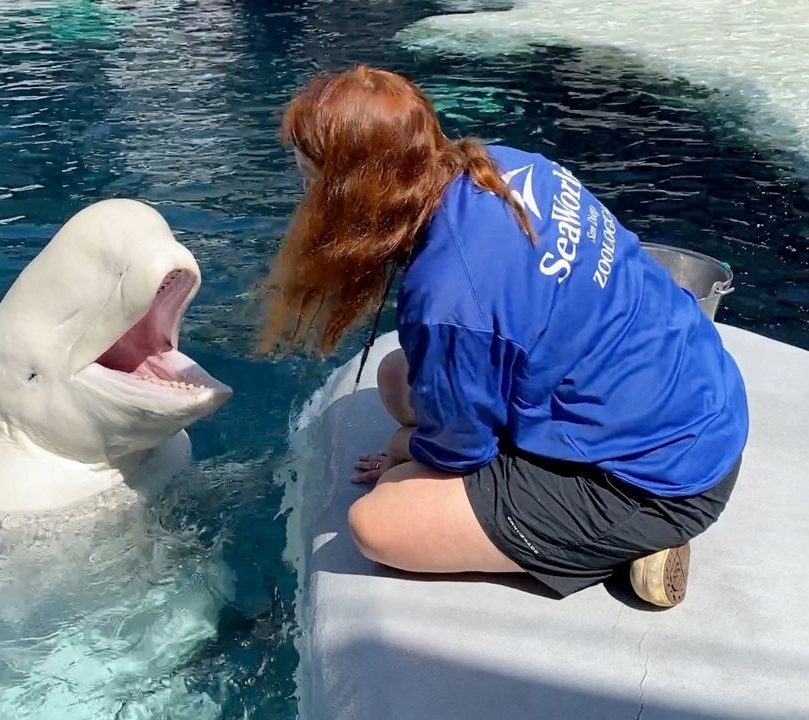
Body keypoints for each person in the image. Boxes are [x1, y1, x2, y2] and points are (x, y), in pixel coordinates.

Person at [258, 65, 748, 607]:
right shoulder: (503, 166)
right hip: (697, 401)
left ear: (358, 192)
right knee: (398, 377)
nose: (305, 201)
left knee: (380, 520)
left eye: (311, 182)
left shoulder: (448, 297)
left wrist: (404, 448)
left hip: (658, 481)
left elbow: (460, 450)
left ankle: (631, 540)